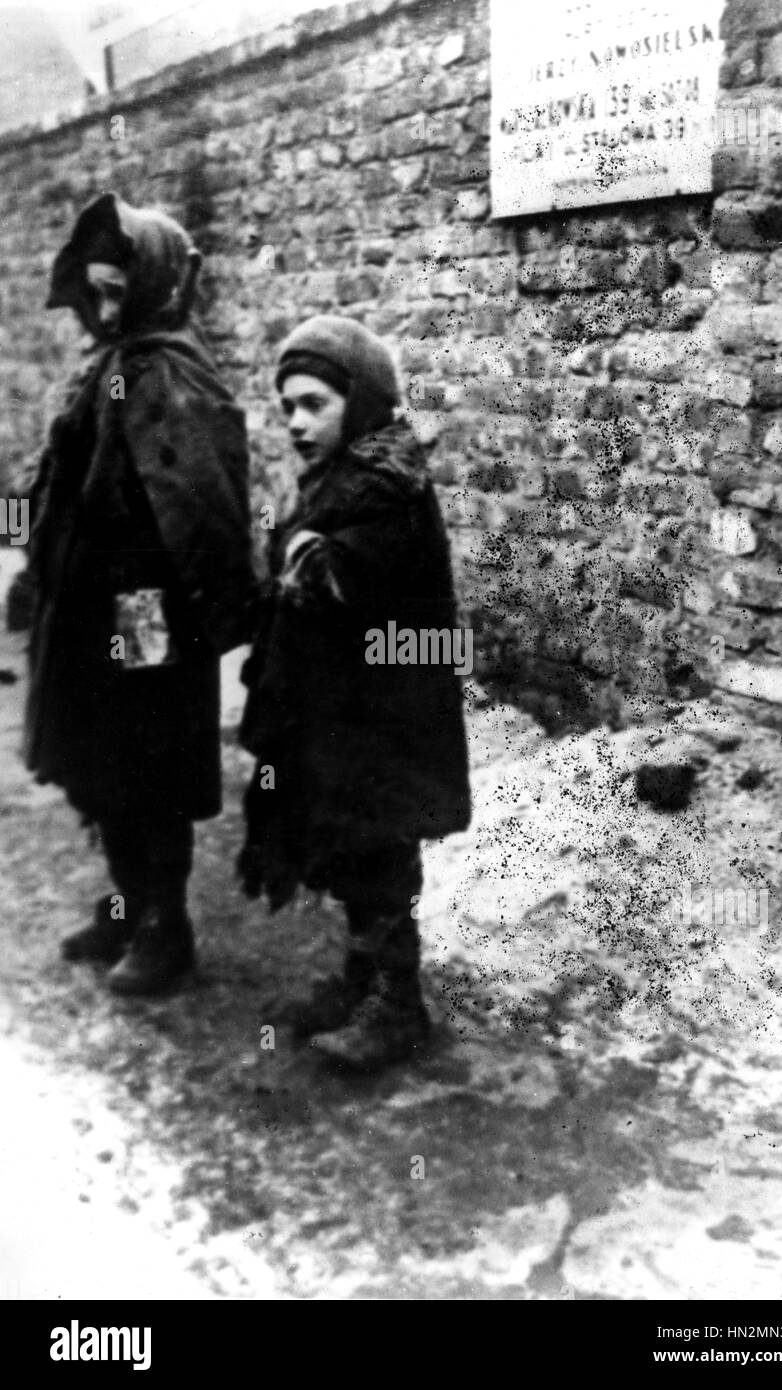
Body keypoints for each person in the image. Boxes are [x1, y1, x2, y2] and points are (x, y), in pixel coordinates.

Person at [22, 191, 254, 994]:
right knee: (95, 758)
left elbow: (203, 502)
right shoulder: (107, 369)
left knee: (145, 760)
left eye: (118, 291)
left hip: (145, 614)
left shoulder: (176, 373)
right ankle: (126, 905)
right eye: (96, 294)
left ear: (153, 282)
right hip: (87, 609)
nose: (105, 307)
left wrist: (187, 612)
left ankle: (166, 924)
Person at [238, 314, 471, 1069]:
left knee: (379, 852)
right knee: (346, 844)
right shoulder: (340, 478)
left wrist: (300, 552)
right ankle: (359, 981)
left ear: (361, 400)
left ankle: (398, 1006)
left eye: (316, 404)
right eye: (288, 409)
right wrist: (297, 549)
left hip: (385, 719)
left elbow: (336, 582)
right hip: (342, 714)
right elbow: (294, 558)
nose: (299, 424)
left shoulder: (387, 487)